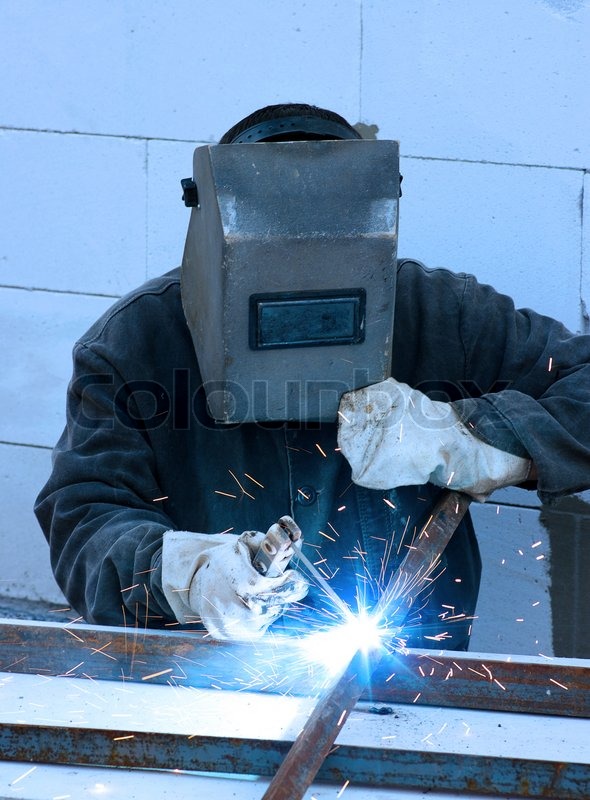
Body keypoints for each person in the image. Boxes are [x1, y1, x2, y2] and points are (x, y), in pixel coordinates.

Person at [35, 103, 590, 650]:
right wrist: (186, 573)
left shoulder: (443, 315)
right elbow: (83, 513)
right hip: (203, 670)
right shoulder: (139, 341)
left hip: (409, 674)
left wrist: (467, 437)